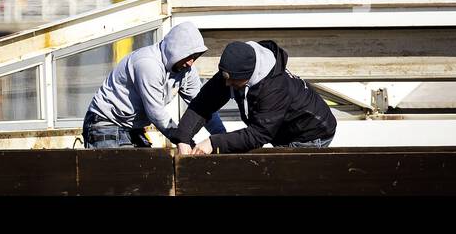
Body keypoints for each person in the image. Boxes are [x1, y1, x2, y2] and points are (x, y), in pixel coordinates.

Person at [175, 39, 336, 154]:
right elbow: (205, 102)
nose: (227, 84)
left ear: (249, 76)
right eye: (225, 78)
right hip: (280, 128)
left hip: (311, 132)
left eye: (233, 80)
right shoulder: (235, 68)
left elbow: (260, 134)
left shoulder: (274, 88)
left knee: (285, 180)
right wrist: (183, 137)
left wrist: (213, 142)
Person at [82, 22, 225, 148]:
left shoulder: (187, 70)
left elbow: (203, 106)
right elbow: (155, 112)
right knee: (120, 175)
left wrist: (222, 138)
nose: (190, 62)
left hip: (134, 127)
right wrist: (182, 140)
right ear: (174, 50)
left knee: (145, 173)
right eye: (188, 56)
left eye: (194, 57)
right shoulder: (148, 64)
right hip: (105, 124)